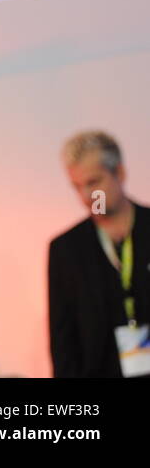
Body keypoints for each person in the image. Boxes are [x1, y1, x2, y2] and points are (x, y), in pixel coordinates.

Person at [49, 129, 150, 377]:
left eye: (93, 183)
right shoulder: (65, 249)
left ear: (120, 173)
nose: (86, 196)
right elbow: (63, 342)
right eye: (77, 186)